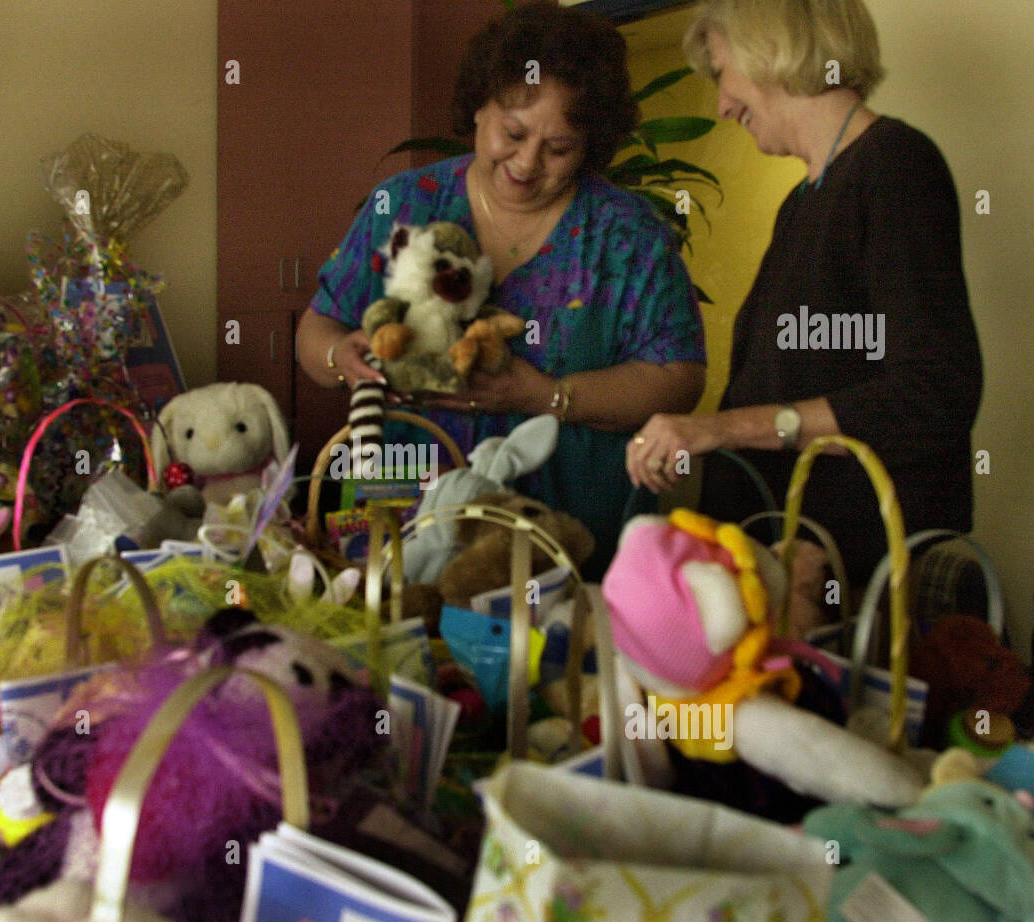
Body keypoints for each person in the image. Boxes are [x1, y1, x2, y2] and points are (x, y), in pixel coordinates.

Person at [295, 1, 706, 577]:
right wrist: (344, 358)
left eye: (559, 148)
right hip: (404, 527)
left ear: (590, 146)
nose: (526, 162)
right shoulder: (407, 203)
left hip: (565, 542)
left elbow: (678, 380)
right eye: (512, 133)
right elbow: (319, 329)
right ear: (480, 108)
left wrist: (545, 396)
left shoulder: (627, 237)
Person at [628, 0, 983, 586]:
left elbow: (936, 391)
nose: (721, 106)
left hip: (847, 576)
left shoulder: (896, 167)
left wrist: (721, 428)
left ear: (770, 46)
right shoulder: (803, 201)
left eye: (721, 72)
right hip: (783, 559)